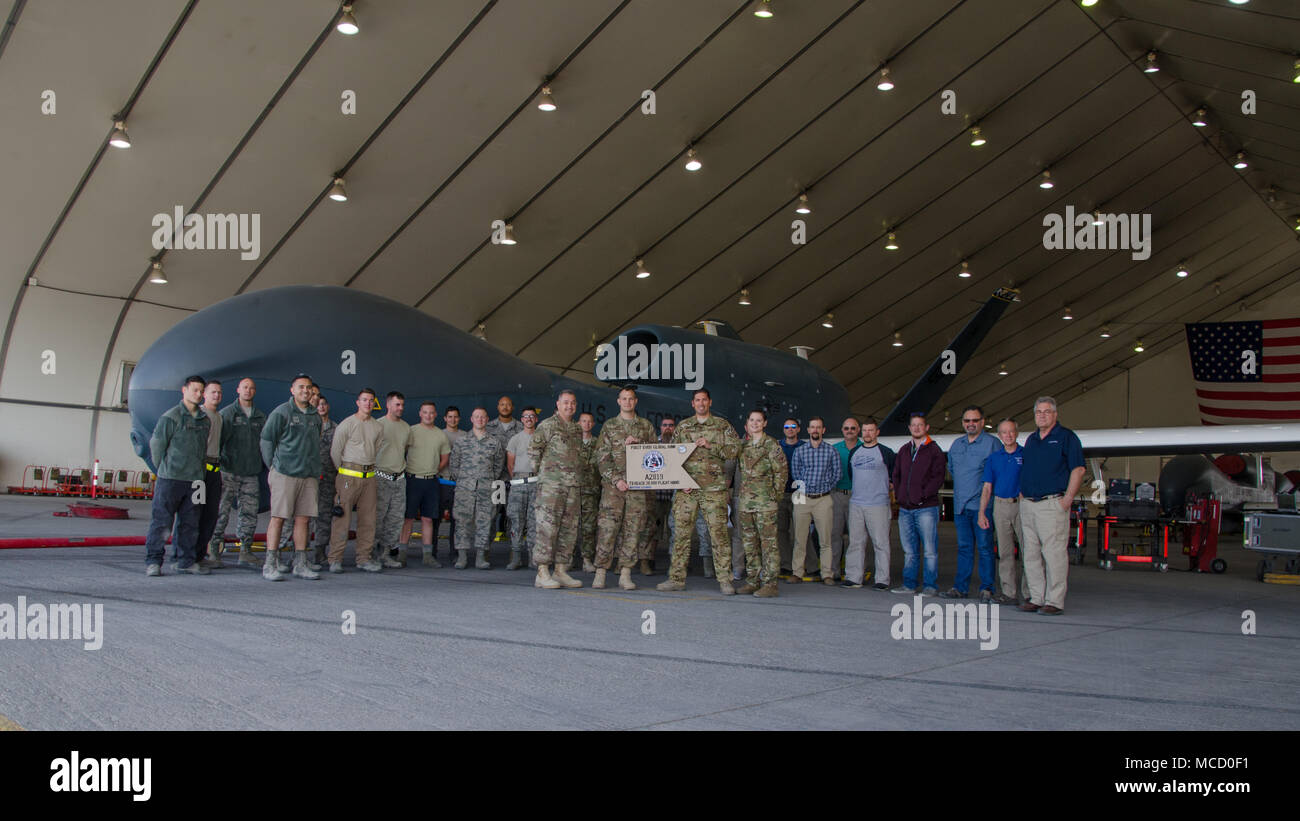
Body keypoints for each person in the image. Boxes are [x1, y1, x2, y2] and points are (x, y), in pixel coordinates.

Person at [656, 389, 741, 594]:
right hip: (687, 489)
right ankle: (676, 579)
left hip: (714, 489)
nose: (701, 403)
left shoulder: (722, 426)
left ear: (709, 402)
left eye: (704, 400)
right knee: (680, 533)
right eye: (697, 400)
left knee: (718, 534)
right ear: (692, 404)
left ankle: (725, 580)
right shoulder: (684, 426)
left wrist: (712, 446)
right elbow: (671, 455)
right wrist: (679, 481)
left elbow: (735, 450)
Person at [1018, 397, 1085, 615]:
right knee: (1031, 553)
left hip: (1051, 504)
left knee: (1054, 553)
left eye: (1047, 412)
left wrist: (1066, 500)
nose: (1042, 415)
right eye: (1038, 412)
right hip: (1028, 504)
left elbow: (1078, 470)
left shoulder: (1067, 437)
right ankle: (1036, 597)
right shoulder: (1031, 440)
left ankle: (1054, 601)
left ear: (1055, 414)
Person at [144, 375, 211, 576]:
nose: (198, 394)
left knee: (191, 523)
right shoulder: (171, 417)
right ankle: (154, 561)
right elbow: (157, 446)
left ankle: (186, 561)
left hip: (196, 481)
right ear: (184, 390)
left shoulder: (204, 420)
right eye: (194, 390)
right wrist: (164, 470)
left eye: (201, 391)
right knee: (162, 522)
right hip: (170, 479)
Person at [260, 374, 323, 581]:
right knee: (278, 518)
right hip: (285, 474)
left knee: (303, 519)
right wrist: (273, 466)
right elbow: (267, 439)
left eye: (308, 388)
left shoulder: (314, 416)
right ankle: (270, 564)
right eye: (301, 387)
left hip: (309, 476)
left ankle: (300, 563)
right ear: (292, 390)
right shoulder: (282, 412)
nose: (305, 391)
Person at [592, 386, 655, 590]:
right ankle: (600, 572)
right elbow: (601, 458)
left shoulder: (645, 427)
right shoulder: (609, 426)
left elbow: (656, 455)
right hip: (614, 490)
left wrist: (640, 444)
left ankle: (626, 573)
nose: (627, 402)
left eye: (631, 399)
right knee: (607, 529)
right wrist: (616, 479)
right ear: (618, 401)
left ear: (635, 402)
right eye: (624, 399)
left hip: (637, 490)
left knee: (633, 531)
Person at [942, 405, 1000, 601]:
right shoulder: (957, 445)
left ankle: (987, 588)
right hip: (960, 507)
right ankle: (961, 587)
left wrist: (985, 506)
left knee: (984, 547)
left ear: (982, 422)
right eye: (967, 421)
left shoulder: (992, 444)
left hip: (981, 507)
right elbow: (952, 469)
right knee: (964, 548)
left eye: (975, 420)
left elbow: (996, 474)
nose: (971, 424)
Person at [528, 391, 585, 589]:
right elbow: (534, 452)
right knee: (547, 528)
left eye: (572, 403)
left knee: (569, 530)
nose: (569, 406)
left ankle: (561, 571)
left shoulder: (577, 429)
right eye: (565, 403)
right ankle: (542, 571)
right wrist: (543, 477)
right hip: (552, 487)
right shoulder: (547, 425)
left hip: (572, 487)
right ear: (558, 404)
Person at [328, 388, 384, 573]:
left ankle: (363, 558)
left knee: (368, 520)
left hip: (369, 477)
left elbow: (375, 451)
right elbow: (336, 451)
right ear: (358, 402)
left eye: (371, 401)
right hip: (348, 477)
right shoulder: (347, 424)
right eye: (364, 400)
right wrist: (344, 472)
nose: (368, 403)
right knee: (341, 519)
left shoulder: (377, 427)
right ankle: (335, 559)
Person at [211, 377, 266, 569]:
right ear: (238, 390)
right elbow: (217, 443)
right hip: (229, 471)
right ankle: (214, 550)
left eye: (251, 388)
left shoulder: (260, 417)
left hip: (251, 473)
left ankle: (245, 550)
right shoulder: (228, 414)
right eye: (245, 387)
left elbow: (264, 444)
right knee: (221, 512)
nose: (248, 391)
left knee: (249, 513)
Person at [890, 412, 946, 596]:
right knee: (909, 551)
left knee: (930, 550)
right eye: (913, 425)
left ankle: (930, 586)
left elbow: (938, 477)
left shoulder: (934, 450)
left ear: (926, 427)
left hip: (926, 508)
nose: (916, 428)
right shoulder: (905, 450)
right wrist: (899, 495)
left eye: (920, 425)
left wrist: (922, 495)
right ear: (909, 428)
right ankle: (909, 585)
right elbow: (896, 474)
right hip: (905, 509)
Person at [736, 409, 787, 598]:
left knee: (769, 545)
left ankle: (770, 583)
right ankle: (752, 580)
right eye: (752, 420)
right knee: (749, 544)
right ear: (747, 423)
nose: (755, 424)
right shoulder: (744, 446)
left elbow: (781, 472)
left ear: (764, 423)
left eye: (759, 421)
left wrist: (775, 496)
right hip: (746, 503)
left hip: (766, 503)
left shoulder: (771, 445)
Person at [449, 408, 504, 569]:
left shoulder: (494, 442)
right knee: (462, 521)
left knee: (485, 521)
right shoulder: (462, 441)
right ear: (472, 419)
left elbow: (498, 466)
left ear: (487, 420)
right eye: (476, 417)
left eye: (483, 417)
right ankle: (462, 557)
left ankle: (481, 557)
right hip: (465, 489)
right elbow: (454, 465)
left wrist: (487, 480)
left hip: (486, 489)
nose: (480, 419)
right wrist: (466, 480)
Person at [788, 417, 841, 586]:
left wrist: (824, 486)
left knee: (825, 539)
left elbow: (837, 474)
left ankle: (827, 574)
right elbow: (796, 473)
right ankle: (797, 572)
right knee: (799, 538)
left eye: (818, 427)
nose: (815, 430)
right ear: (808, 430)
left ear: (823, 430)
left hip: (823, 498)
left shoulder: (831, 451)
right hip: (803, 498)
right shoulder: (801, 451)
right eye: (812, 427)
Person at [844, 417, 895, 589]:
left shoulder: (885, 453)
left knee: (880, 543)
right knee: (856, 542)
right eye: (864, 430)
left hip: (878, 504)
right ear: (861, 432)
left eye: (871, 430)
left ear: (877, 432)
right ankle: (853, 577)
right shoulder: (855, 452)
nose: (867, 433)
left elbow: (895, 475)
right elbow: (852, 475)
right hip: (857, 503)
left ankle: (882, 579)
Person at [979, 418, 1024, 604]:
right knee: (1005, 552)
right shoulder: (994, 458)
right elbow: (987, 487)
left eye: (1011, 431)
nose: (1008, 435)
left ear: (1017, 433)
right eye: (1004, 432)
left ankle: (1031, 594)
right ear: (1000, 436)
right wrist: (982, 512)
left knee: (1029, 551)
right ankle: (1009, 593)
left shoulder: (1026, 454)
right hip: (1000, 506)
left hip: (1022, 505)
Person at [401, 401, 451, 567]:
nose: (428, 415)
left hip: (431, 482)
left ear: (435, 415)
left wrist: (432, 470)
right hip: (412, 480)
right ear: (420, 414)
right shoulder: (411, 431)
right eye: (425, 412)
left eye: (431, 413)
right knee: (408, 518)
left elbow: (445, 458)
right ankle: (402, 554)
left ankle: (427, 556)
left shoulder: (440, 435)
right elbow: (402, 451)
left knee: (428, 519)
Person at [633, 415, 676, 575]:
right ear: (660, 428)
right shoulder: (653, 444)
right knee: (652, 530)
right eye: (665, 425)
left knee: (675, 531)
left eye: (671, 425)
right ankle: (647, 561)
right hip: (656, 496)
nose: (668, 428)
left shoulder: (679, 446)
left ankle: (675, 563)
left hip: (673, 497)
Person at [375, 391, 410, 568]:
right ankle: (371, 553)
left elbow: (407, 449)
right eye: (397, 405)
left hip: (399, 479)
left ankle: (386, 553)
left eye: (402, 405)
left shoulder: (406, 428)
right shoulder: (378, 425)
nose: (400, 408)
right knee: (378, 517)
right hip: (381, 477)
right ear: (388, 405)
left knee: (395, 518)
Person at [192, 380, 225, 568]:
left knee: (210, 514)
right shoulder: (199, 415)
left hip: (214, 471)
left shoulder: (218, 417)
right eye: (213, 392)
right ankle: (186, 555)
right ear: (205, 394)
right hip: (200, 471)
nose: (216, 396)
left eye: (219, 393)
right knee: (194, 512)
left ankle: (200, 554)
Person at [504, 409, 540, 570]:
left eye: (532, 416)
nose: (529, 419)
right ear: (522, 419)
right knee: (517, 521)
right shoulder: (515, 439)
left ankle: (533, 557)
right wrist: (517, 480)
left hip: (536, 482)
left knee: (534, 521)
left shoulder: (541, 438)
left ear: (536, 419)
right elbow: (510, 464)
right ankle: (516, 557)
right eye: (526, 416)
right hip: (518, 482)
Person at [486, 396, 521, 542]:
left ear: (512, 407)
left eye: (508, 405)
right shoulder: (489, 427)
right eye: (502, 404)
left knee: (515, 516)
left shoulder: (520, 428)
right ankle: (485, 553)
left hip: (514, 480)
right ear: (498, 407)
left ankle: (515, 553)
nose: (505, 407)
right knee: (491, 514)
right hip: (497, 481)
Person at [829, 417, 861, 580]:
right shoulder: (834, 449)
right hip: (837, 495)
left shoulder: (864, 448)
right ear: (842, 430)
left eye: (853, 428)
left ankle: (853, 572)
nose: (849, 431)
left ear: (858, 430)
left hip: (858, 497)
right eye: (846, 428)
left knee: (856, 537)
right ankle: (833, 571)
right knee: (835, 534)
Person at [309, 395, 337, 569]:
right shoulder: (309, 424)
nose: (321, 407)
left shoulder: (336, 428)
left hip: (328, 477)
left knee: (324, 516)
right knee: (303, 516)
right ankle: (299, 553)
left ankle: (320, 551)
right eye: (318, 405)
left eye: (324, 404)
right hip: (309, 476)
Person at [433, 406, 463, 563]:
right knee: (435, 519)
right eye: (450, 416)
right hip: (440, 481)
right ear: (445, 418)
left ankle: (454, 553)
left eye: (455, 417)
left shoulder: (465, 436)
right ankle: (432, 552)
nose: (453, 419)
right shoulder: (438, 434)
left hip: (457, 484)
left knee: (456, 520)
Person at [576, 411, 601, 573]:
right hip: (573, 491)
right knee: (569, 527)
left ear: (593, 424)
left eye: (589, 421)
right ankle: (566, 559)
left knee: (589, 527)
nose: (586, 424)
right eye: (583, 421)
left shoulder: (598, 444)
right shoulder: (572, 443)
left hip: (591, 492)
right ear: (578, 423)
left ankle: (586, 559)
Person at [777, 417, 801, 573]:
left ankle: (805, 565)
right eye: (787, 427)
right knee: (781, 532)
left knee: (800, 531)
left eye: (793, 426)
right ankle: (786, 564)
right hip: (781, 494)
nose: (790, 429)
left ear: (798, 429)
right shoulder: (777, 447)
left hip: (799, 494)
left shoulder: (804, 447)